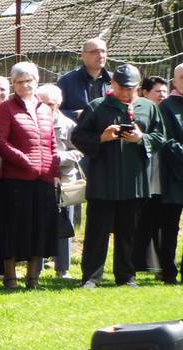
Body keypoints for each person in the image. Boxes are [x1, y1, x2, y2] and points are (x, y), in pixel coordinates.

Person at [71, 63, 166, 288]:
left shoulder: (148, 107)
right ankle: (91, 278)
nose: (126, 92)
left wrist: (141, 138)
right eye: (122, 87)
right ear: (112, 84)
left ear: (138, 88)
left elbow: (160, 137)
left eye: (131, 88)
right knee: (97, 232)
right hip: (103, 181)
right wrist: (101, 138)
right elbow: (78, 137)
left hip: (134, 182)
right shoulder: (97, 107)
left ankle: (126, 276)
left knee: (128, 232)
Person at [0, 62, 59, 290]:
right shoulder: (6, 108)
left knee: (40, 228)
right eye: (19, 82)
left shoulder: (45, 109)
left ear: (36, 81)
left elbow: (52, 143)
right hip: (16, 179)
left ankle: (33, 278)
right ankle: (10, 277)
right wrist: (23, 159)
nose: (24, 86)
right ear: (13, 84)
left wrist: (54, 170)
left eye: (28, 81)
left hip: (44, 179)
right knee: (13, 228)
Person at [35, 83, 85, 279]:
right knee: (39, 224)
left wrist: (60, 157)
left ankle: (62, 268)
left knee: (65, 223)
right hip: (40, 178)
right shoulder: (34, 123)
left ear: (58, 103)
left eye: (50, 104)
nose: (46, 107)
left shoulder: (68, 125)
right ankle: (36, 268)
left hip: (65, 181)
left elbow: (80, 151)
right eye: (42, 103)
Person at [132, 75, 171, 272]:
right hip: (141, 175)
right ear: (144, 93)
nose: (162, 95)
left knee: (159, 220)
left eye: (165, 91)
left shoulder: (167, 112)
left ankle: (155, 264)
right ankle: (138, 262)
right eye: (158, 91)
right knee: (140, 220)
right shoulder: (140, 111)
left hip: (161, 176)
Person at [157, 63, 183, 284]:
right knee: (170, 227)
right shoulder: (166, 107)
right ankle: (168, 272)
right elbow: (167, 141)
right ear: (174, 81)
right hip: (174, 176)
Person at [58, 37, 112, 121]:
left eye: (103, 51)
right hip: (78, 131)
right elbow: (54, 112)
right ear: (83, 55)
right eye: (95, 52)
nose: (101, 55)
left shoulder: (115, 81)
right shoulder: (67, 82)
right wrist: (75, 114)